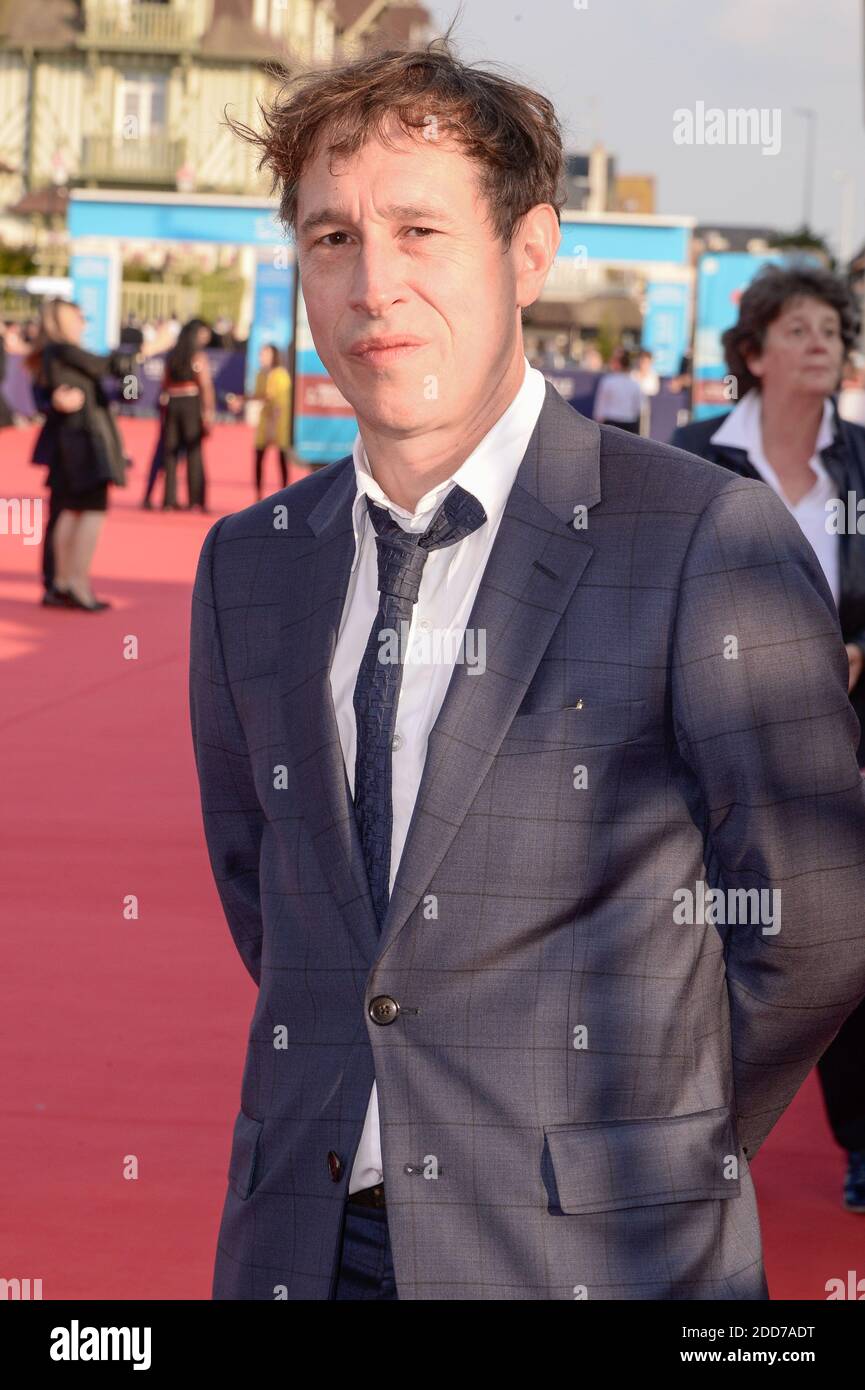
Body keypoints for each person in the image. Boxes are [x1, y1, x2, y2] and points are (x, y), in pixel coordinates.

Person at [189, 34, 865, 1302]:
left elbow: (816, 921)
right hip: (298, 1237)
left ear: (530, 253)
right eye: (332, 238)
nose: (373, 284)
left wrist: (640, 1142)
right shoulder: (248, 566)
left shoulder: (699, 537)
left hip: (596, 1254)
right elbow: (272, 900)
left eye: (418, 231)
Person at [670, 262, 865, 1211]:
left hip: (848, 750)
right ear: (751, 351)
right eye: (797, 328)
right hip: (713, 747)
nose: (820, 341)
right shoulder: (695, 453)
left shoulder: (863, 463)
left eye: (831, 327)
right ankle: (698, 1132)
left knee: (844, 939)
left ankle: (861, 1137)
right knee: (705, 942)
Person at [26, 299, 173, 610]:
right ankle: (73, 585)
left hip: (79, 440)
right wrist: (148, 348)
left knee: (69, 511)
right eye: (77, 317)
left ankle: (64, 584)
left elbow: (123, 390)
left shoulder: (61, 354)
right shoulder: (62, 350)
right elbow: (104, 367)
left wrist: (127, 379)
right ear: (60, 320)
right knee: (85, 511)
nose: (82, 322)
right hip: (82, 442)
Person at [160, 318, 214, 512]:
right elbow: (205, 385)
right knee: (194, 451)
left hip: (172, 404)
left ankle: (168, 499)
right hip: (191, 403)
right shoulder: (197, 357)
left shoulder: (172, 356)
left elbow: (163, 383)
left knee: (171, 453)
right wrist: (208, 411)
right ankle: (196, 500)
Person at [226, 344, 292, 499]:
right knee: (259, 454)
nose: (261, 357)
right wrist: (242, 400)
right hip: (266, 418)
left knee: (282, 456)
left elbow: (271, 397)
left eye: (265, 354)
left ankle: (286, 492)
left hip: (280, 419)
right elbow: (259, 394)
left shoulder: (281, 374)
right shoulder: (261, 374)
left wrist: (242, 400)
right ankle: (258, 494)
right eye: (261, 354)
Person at [591, 346, 643, 432]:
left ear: (618, 364)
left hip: (612, 423)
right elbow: (638, 407)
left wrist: (598, 423)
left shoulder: (607, 381)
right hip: (629, 423)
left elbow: (600, 406)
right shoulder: (635, 384)